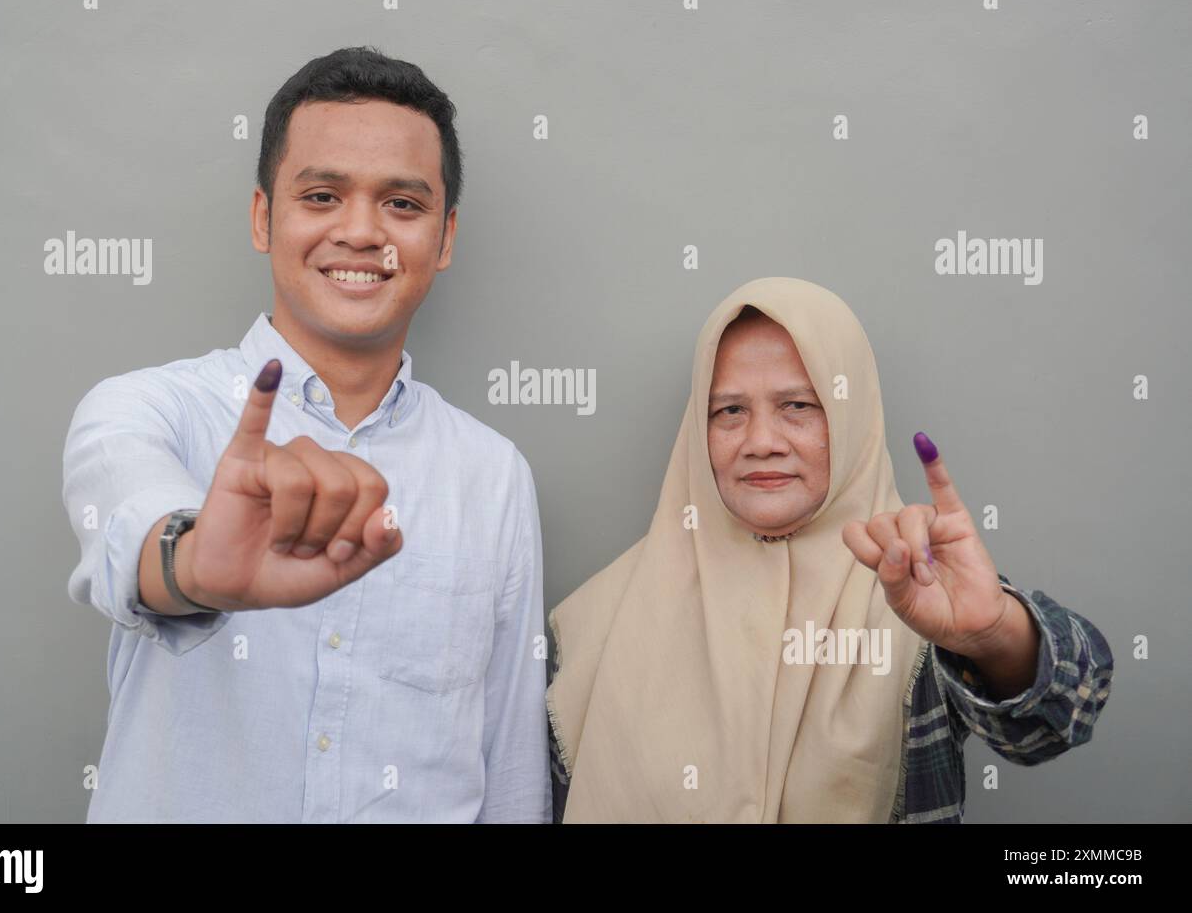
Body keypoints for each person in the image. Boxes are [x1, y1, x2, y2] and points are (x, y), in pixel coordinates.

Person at [62, 47, 549, 822]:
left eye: (403, 204)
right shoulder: (145, 410)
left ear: (445, 237)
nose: (361, 232)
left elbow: (511, 766)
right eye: (322, 195)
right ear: (264, 217)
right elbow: (132, 530)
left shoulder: (494, 475)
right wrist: (194, 564)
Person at [546, 277, 1112, 822]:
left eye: (798, 405)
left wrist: (991, 635)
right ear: (699, 430)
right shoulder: (598, 619)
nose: (761, 442)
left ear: (851, 418)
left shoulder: (915, 592)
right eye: (730, 411)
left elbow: (1058, 723)